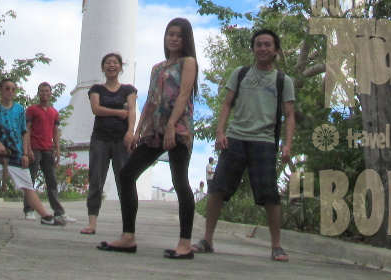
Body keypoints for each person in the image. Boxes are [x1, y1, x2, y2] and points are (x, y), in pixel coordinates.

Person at [97, 19, 198, 260]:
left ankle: (185, 244)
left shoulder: (188, 62)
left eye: (179, 35)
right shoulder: (157, 68)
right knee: (127, 175)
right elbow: (151, 101)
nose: (173, 39)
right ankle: (128, 237)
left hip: (178, 129)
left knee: (179, 181)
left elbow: (184, 94)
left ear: (186, 39)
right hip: (155, 130)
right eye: (170, 34)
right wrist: (137, 131)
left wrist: (172, 126)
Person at [193, 28, 295, 261]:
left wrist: (287, 144)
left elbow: (289, 115)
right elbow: (227, 104)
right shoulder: (240, 73)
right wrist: (220, 132)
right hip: (235, 138)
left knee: (270, 194)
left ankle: (276, 246)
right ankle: (207, 239)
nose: (263, 48)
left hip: (264, 142)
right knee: (218, 189)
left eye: (268, 45)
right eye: (258, 44)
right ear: (253, 48)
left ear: (275, 50)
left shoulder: (283, 81)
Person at [0, 79, 66, 225]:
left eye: (13, 89)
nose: (10, 91)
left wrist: (25, 153)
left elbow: (24, 132)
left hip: (15, 154)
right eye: (7, 88)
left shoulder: (19, 109)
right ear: (1, 90)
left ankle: (45, 217)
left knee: (27, 186)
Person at [81, 52, 136, 236]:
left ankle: (128, 227)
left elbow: (132, 110)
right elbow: (96, 109)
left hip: (121, 139)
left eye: (115, 62)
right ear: (103, 67)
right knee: (96, 180)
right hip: (100, 139)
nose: (112, 65)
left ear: (121, 67)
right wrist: (118, 113)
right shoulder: (96, 88)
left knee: (125, 182)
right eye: (108, 63)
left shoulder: (128, 89)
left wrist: (131, 131)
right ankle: (92, 223)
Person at [22, 82, 73, 222]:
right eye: (42, 91)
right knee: (30, 180)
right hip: (34, 148)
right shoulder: (32, 109)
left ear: (51, 93)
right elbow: (27, 129)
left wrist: (58, 149)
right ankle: (29, 209)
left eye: (47, 91)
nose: (45, 93)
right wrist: (28, 150)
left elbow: (55, 132)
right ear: (38, 93)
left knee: (52, 181)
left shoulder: (54, 112)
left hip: (48, 149)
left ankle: (59, 211)